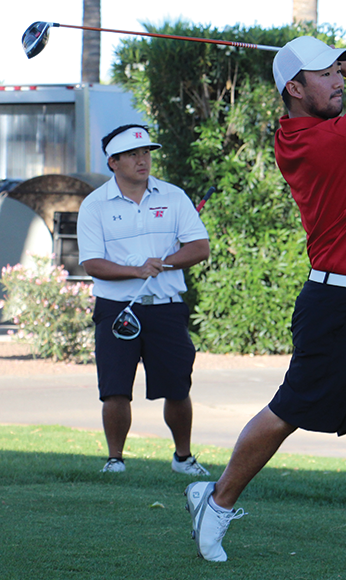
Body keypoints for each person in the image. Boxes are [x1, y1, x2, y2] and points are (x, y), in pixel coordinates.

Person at [183, 37, 346, 577]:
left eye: (337, 72)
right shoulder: (323, 142)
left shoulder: (320, 132)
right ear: (294, 87)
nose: (335, 81)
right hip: (336, 303)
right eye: (325, 75)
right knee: (288, 411)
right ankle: (215, 503)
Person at [77, 124, 212, 476]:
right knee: (115, 388)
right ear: (113, 162)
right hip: (116, 310)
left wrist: (164, 263)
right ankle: (115, 459)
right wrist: (136, 270)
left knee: (177, 386)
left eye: (146, 153)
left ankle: (182, 457)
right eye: (133, 155)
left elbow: (199, 247)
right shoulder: (94, 206)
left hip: (166, 307)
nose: (143, 160)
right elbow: (92, 263)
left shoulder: (173, 196)